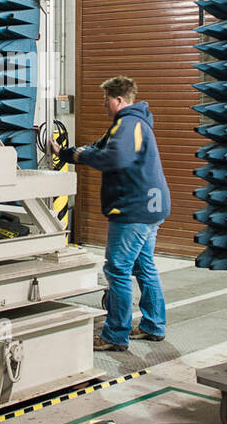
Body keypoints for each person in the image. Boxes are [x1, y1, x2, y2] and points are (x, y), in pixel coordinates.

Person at [54, 75, 171, 352]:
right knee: (144, 267)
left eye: (106, 100)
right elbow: (100, 147)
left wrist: (83, 158)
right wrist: (70, 153)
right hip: (150, 208)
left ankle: (115, 334)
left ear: (118, 100)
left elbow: (114, 158)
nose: (103, 105)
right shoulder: (131, 123)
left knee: (117, 269)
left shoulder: (129, 124)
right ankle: (153, 325)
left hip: (134, 210)